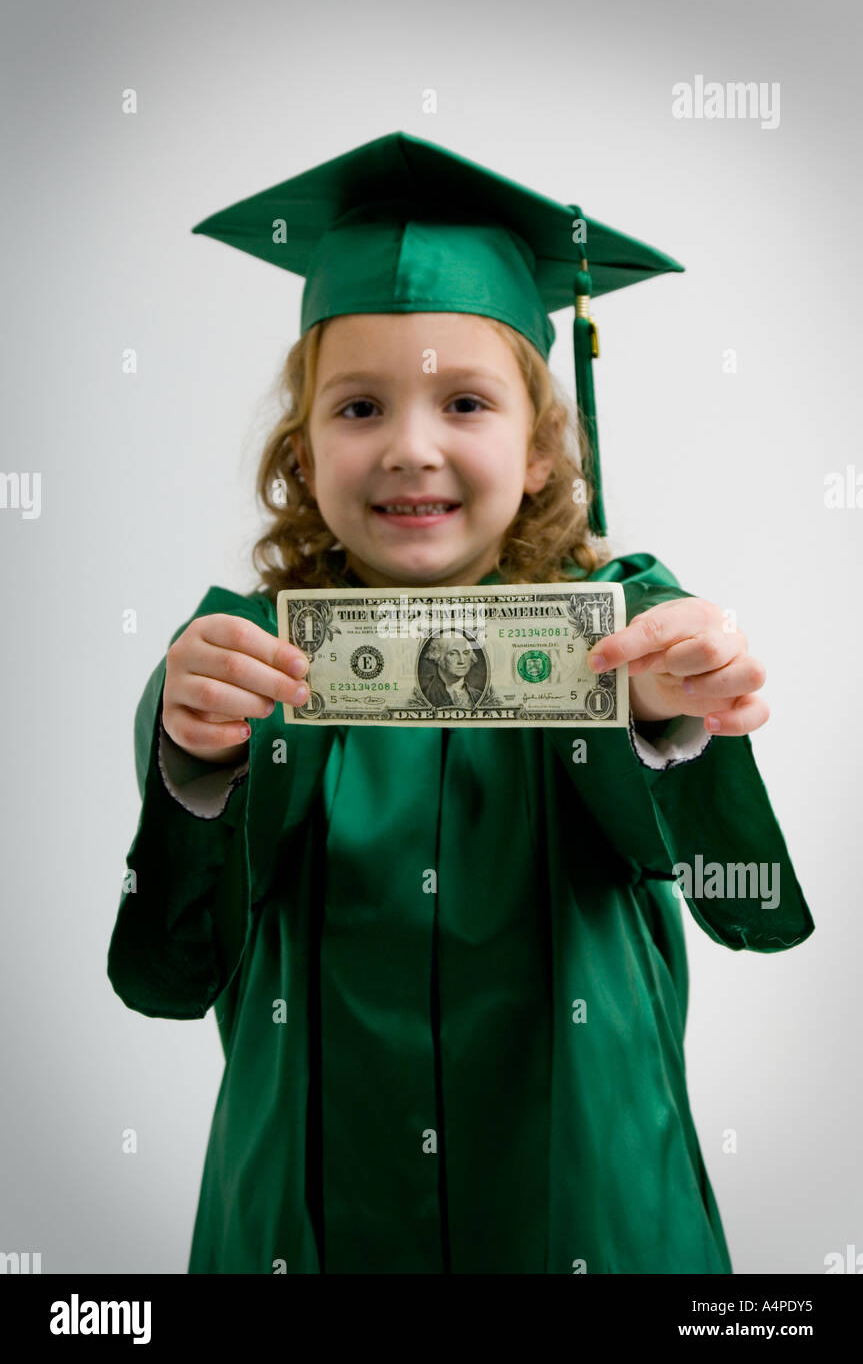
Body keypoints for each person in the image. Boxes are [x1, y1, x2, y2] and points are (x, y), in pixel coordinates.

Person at [107, 132, 814, 1274]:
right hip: (310, 1212)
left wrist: (671, 711)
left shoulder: (615, 632)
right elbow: (174, 961)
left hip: (581, 1195)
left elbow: (736, 889)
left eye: (466, 402)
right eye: (357, 409)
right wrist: (194, 756)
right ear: (302, 450)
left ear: (538, 448)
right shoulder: (247, 664)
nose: (410, 447)